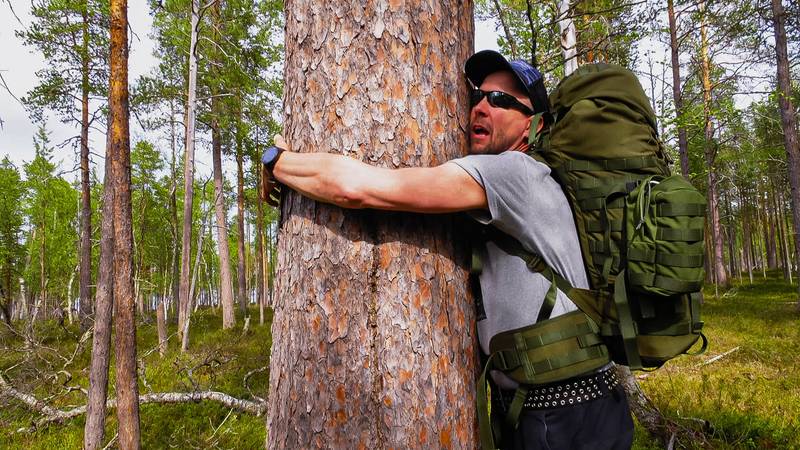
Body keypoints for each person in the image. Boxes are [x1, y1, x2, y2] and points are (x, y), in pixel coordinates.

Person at [261, 50, 633, 450]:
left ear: (534, 125)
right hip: (551, 412)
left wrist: (277, 162)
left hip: (568, 419)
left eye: (501, 100)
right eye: (477, 97)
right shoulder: (514, 183)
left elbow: (359, 189)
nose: (481, 108)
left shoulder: (514, 173)